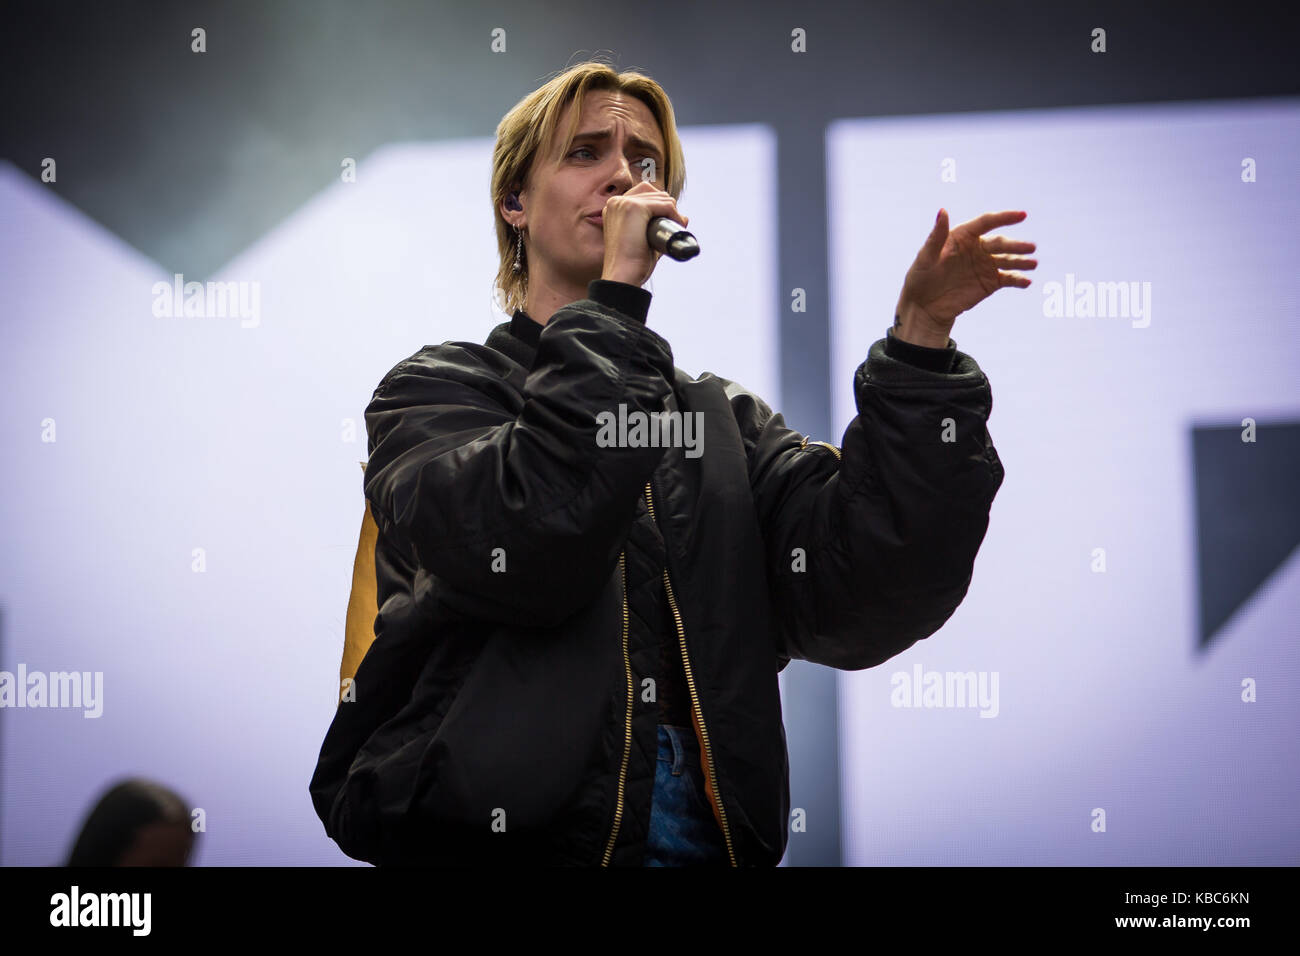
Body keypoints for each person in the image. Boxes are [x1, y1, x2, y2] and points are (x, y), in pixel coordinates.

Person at [309, 59, 1032, 866]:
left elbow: (868, 590)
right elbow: (529, 538)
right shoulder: (436, 393)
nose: (623, 176)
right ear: (514, 202)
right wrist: (616, 302)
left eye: (646, 163)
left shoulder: (723, 425)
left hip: (703, 840)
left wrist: (920, 345)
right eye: (586, 153)